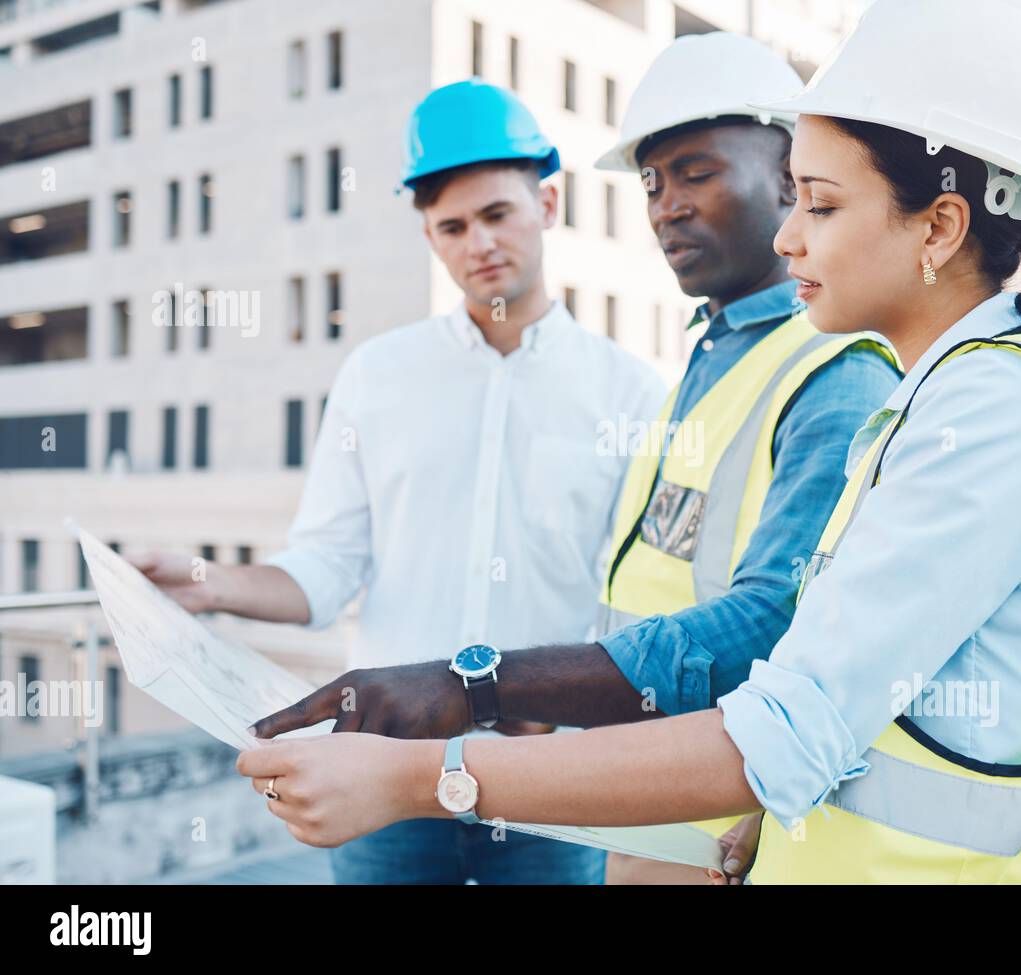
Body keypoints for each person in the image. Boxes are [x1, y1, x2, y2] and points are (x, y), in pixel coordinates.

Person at [238, 0, 1021, 884]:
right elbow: (866, 687)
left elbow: (781, 712)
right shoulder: (940, 396)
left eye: (818, 202)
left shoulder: (989, 411)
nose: (793, 236)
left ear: (939, 225)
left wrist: (429, 762)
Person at [248, 32, 902, 885]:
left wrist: (488, 686)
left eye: (697, 173)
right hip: (637, 807)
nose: (666, 206)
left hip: (667, 813)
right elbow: (642, 592)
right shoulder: (704, 368)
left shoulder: (826, 370)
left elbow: (777, 628)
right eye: (652, 182)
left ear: (790, 174)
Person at [136, 79, 665, 884]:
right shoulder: (377, 376)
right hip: (384, 777)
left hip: (552, 785)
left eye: (497, 214)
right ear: (428, 234)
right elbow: (323, 570)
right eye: (451, 226)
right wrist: (207, 583)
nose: (477, 243)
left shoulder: (630, 393)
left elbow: (640, 601)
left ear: (548, 204)